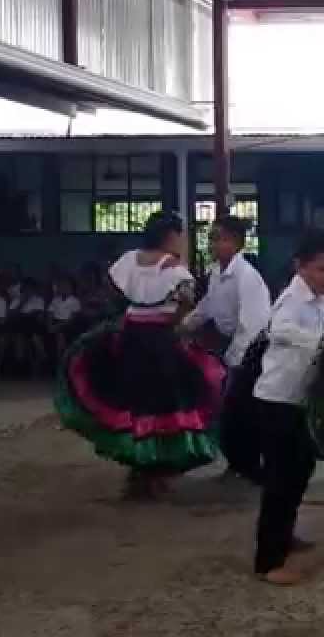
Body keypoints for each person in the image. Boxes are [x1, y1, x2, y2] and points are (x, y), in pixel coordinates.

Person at [56, 212, 226, 500]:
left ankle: (140, 473)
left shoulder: (129, 260)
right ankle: (153, 473)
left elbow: (114, 293)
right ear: (171, 235)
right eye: (181, 234)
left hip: (129, 337)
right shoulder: (177, 271)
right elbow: (183, 307)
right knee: (165, 404)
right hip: (160, 341)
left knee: (134, 402)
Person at [251, 229, 324, 586]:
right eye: (323, 270)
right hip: (277, 399)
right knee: (280, 479)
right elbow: (279, 330)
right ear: (300, 267)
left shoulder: (318, 300)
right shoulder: (293, 298)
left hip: (299, 399)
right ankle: (268, 561)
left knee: (301, 467)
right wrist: (321, 343)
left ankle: (284, 535)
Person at [180, 215, 272, 483]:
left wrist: (237, 362)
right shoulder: (217, 273)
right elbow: (208, 305)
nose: (213, 244)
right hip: (233, 348)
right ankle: (238, 462)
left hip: (252, 350)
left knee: (244, 411)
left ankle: (252, 466)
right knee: (232, 411)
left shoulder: (247, 277)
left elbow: (252, 324)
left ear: (236, 243)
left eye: (220, 239)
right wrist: (185, 325)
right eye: (212, 238)